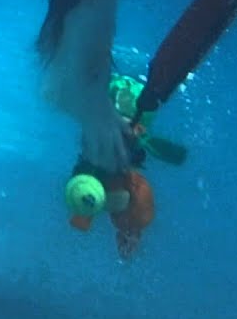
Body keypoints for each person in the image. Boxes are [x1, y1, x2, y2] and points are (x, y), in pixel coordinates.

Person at [63, 70, 186, 259]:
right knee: (92, 188)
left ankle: (130, 231)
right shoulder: (98, 133)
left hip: (121, 163)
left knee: (132, 201)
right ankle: (96, 214)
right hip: (99, 162)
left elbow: (175, 155)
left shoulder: (132, 148)